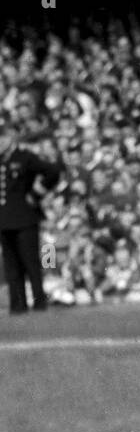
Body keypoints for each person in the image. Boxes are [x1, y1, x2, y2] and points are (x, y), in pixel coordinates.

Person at [0, 119, 62, 315]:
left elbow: (52, 172)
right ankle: (17, 305)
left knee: (30, 262)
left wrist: (36, 193)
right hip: (4, 219)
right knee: (11, 265)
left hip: (25, 216)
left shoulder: (25, 157)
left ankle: (39, 302)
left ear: (10, 139)